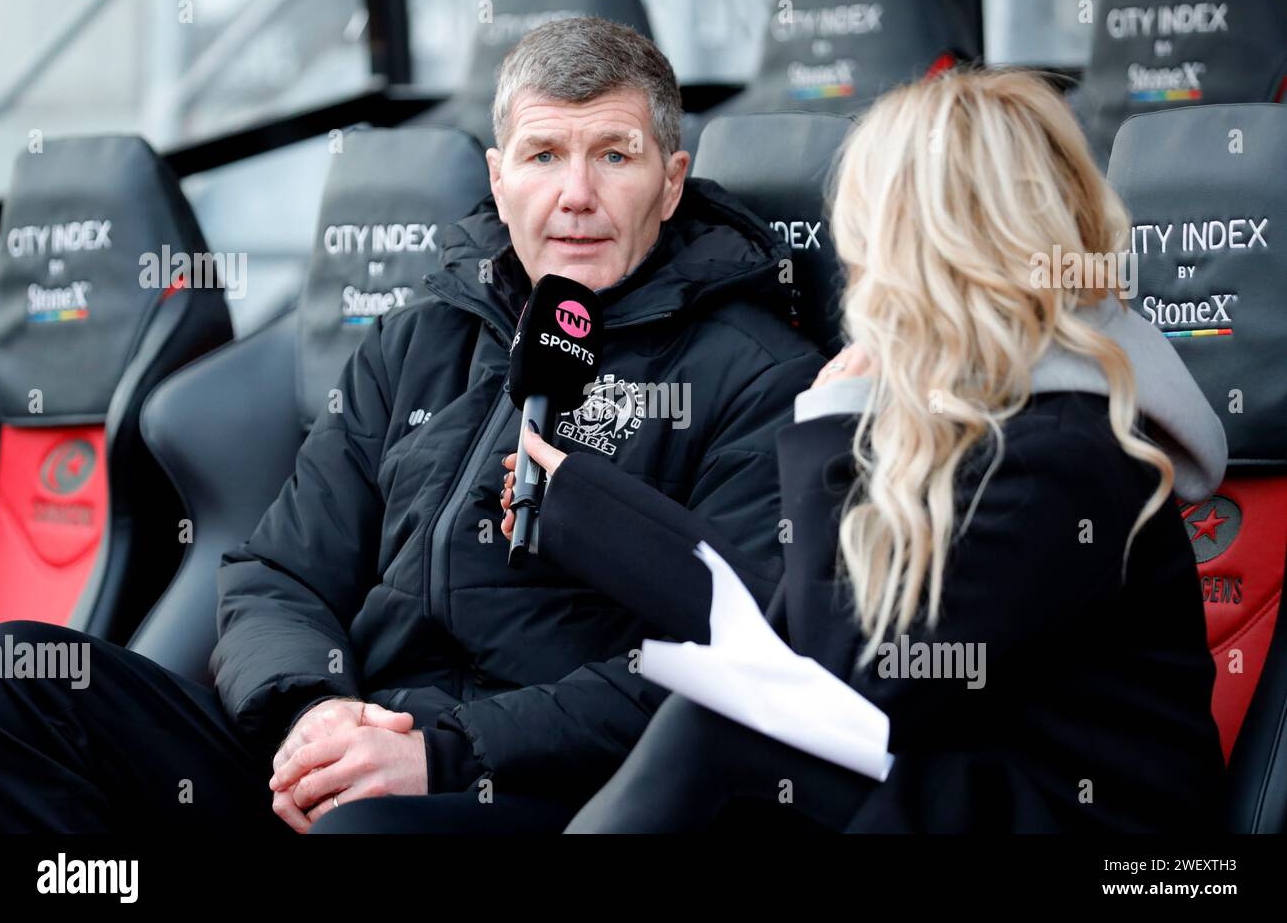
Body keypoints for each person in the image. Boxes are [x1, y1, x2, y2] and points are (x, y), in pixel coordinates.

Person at [0, 17, 824, 833]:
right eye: (543, 156)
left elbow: (722, 663)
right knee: (16, 681)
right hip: (343, 752)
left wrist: (446, 753)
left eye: (614, 155)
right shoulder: (417, 339)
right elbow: (277, 572)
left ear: (671, 181)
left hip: (547, 787)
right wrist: (311, 714)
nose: (576, 195)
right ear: (499, 180)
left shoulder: (758, 374)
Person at [489, 70, 1230, 833]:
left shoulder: (1066, 452)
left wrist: (835, 424)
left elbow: (844, 686)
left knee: (715, 741)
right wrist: (586, 503)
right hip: (967, 790)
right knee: (715, 730)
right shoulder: (982, 409)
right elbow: (788, 638)